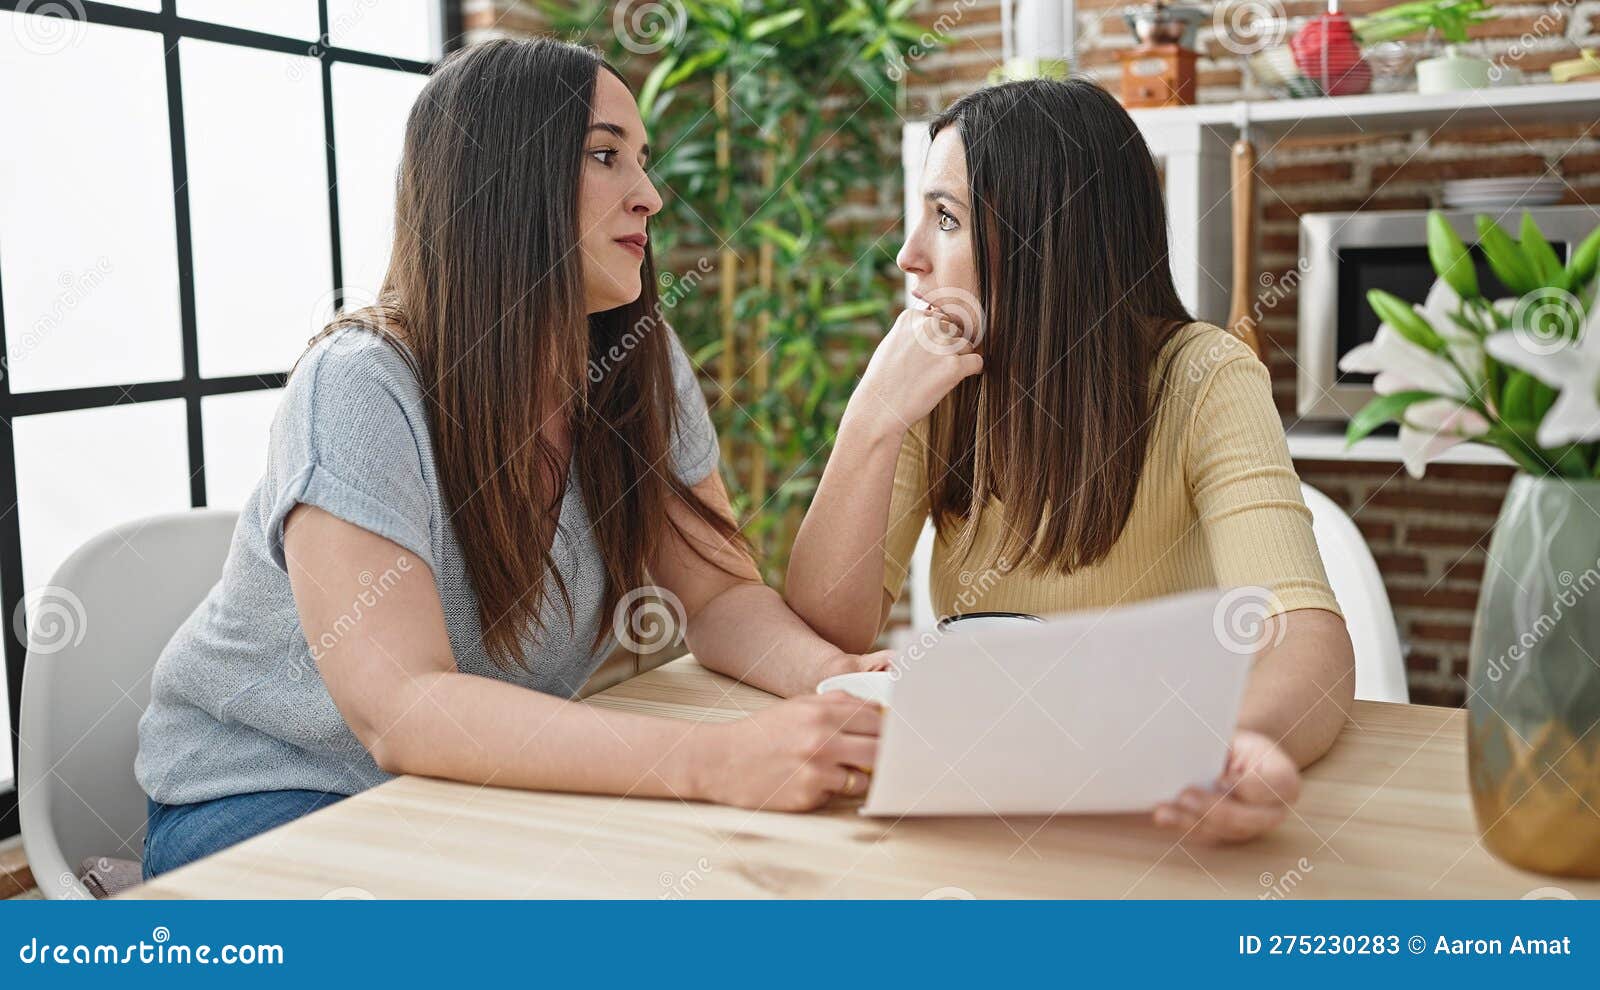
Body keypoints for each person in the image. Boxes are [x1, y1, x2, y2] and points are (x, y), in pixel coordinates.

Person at [135, 38, 886, 880]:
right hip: (274, 799)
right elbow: (404, 710)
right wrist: (710, 762)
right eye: (606, 156)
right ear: (500, 182)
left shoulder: (638, 358)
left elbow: (716, 593)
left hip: (460, 791)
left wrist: (842, 677)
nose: (651, 197)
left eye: (641, 162)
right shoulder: (359, 386)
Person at [785, 78, 1356, 843]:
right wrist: (870, 421)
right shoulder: (941, 379)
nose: (907, 255)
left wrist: (1229, 748)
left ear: (1045, 235)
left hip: (1146, 806)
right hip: (987, 800)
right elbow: (830, 627)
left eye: (945, 218)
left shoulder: (1203, 376)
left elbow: (1310, 640)